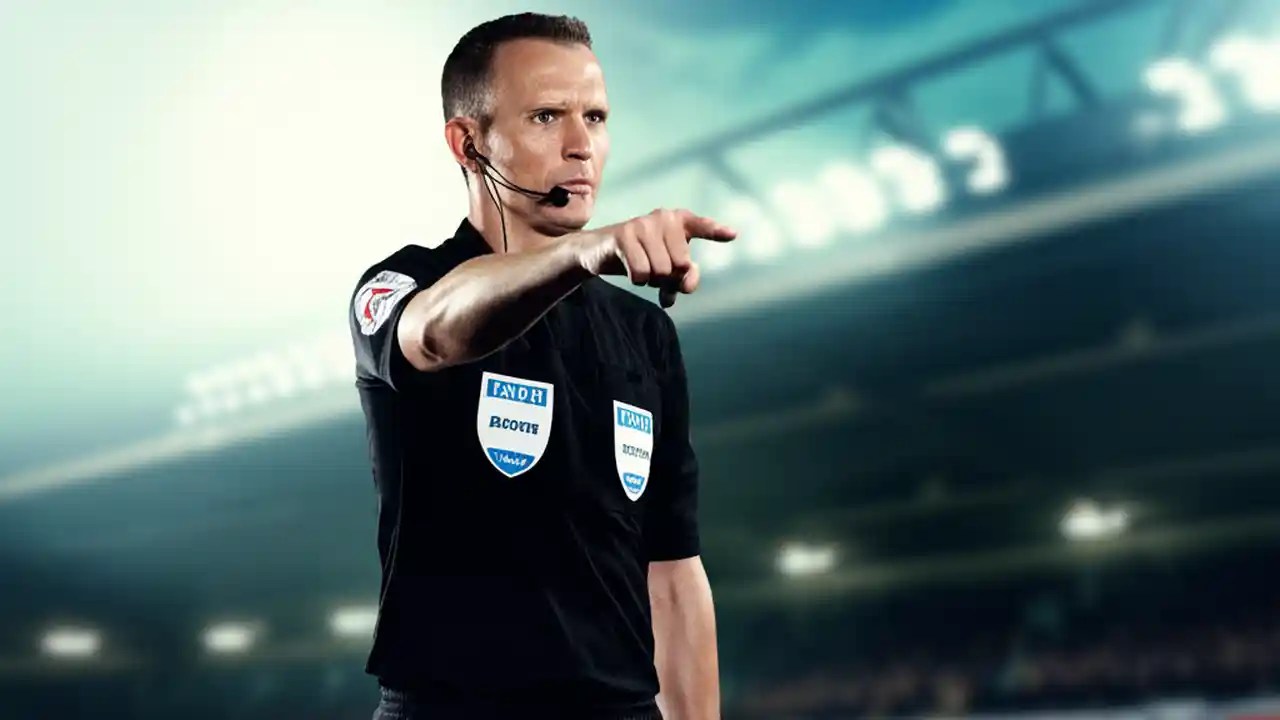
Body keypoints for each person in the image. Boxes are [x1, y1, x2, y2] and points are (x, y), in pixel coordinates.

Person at [347, 12, 737, 720]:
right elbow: (434, 334)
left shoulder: (644, 333)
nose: (582, 144)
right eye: (546, 116)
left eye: (595, 115)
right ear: (468, 143)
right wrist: (583, 253)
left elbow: (674, 574)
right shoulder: (401, 287)